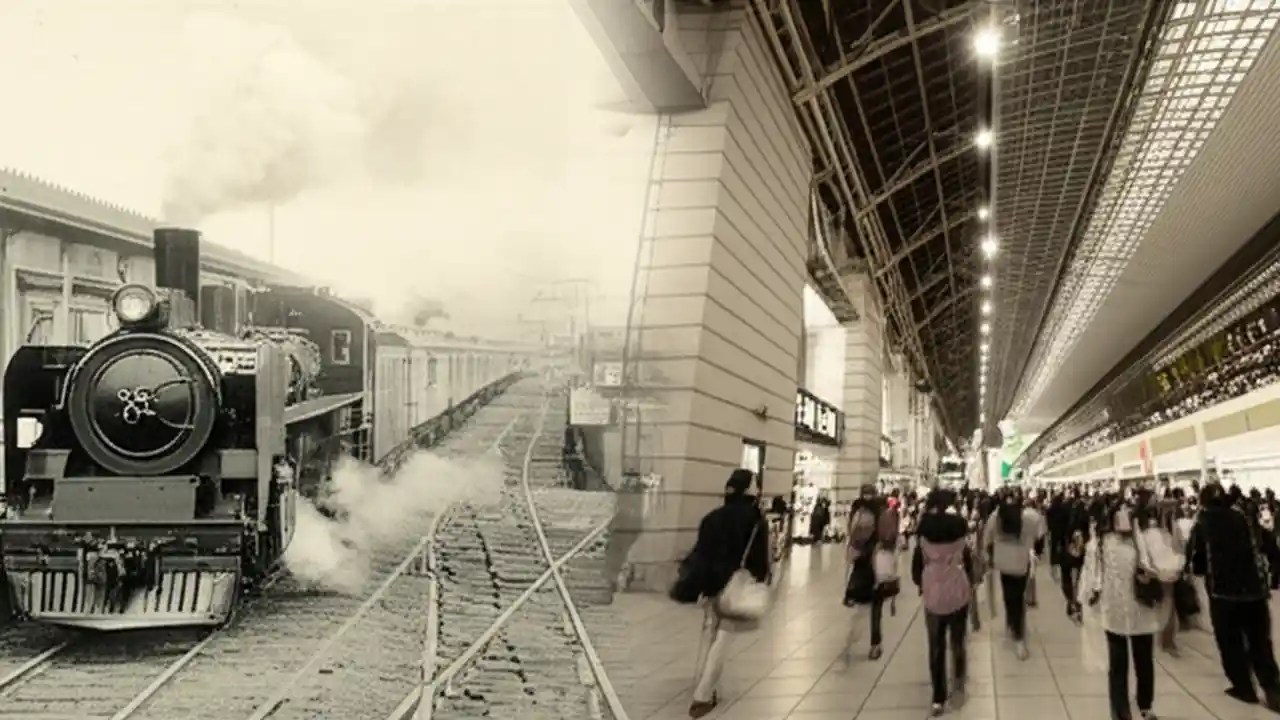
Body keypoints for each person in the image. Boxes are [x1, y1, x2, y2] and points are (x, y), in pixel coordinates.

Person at [670, 469, 771, 719]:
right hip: (735, 583)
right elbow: (759, 559)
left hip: (711, 584)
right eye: (755, 484)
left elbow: (700, 554)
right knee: (723, 638)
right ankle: (703, 696)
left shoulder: (712, 517)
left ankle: (707, 684)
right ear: (748, 489)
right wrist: (761, 579)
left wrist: (697, 585)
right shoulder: (755, 519)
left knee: (710, 633)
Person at [1190, 483, 1280, 711]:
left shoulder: (1203, 522)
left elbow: (1197, 560)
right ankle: (1272, 689)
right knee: (1260, 642)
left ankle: (1243, 687)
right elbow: (1267, 543)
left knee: (1230, 642)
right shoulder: (1243, 517)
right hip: (1254, 590)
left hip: (1223, 593)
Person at [1079, 500, 1166, 720]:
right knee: (1118, 663)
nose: (1123, 515)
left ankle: (1145, 704)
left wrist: (1152, 571)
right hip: (1114, 609)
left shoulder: (1143, 538)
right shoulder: (1100, 541)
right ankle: (1120, 709)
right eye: (1119, 510)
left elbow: (1162, 566)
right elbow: (1092, 573)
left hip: (1141, 608)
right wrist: (1087, 598)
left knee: (1143, 660)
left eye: (1127, 510)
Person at [912, 489, 973, 716]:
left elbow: (916, 570)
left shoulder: (924, 531)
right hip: (958, 591)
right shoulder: (959, 527)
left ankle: (938, 697)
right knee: (958, 642)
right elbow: (967, 562)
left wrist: (924, 581)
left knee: (936, 646)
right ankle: (958, 688)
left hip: (933, 593)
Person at [984, 491, 1043, 659]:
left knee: (1008, 595)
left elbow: (987, 538)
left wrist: (988, 555)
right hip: (1021, 562)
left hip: (1003, 562)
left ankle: (1012, 623)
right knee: (1019, 598)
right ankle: (1019, 636)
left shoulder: (996, 516)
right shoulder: (1029, 517)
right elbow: (1039, 534)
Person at [845, 483, 899, 661]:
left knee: (863, 602)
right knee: (876, 606)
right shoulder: (882, 510)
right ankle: (875, 644)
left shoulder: (858, 510)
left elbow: (852, 536)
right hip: (877, 562)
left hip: (863, 562)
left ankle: (858, 633)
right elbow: (890, 537)